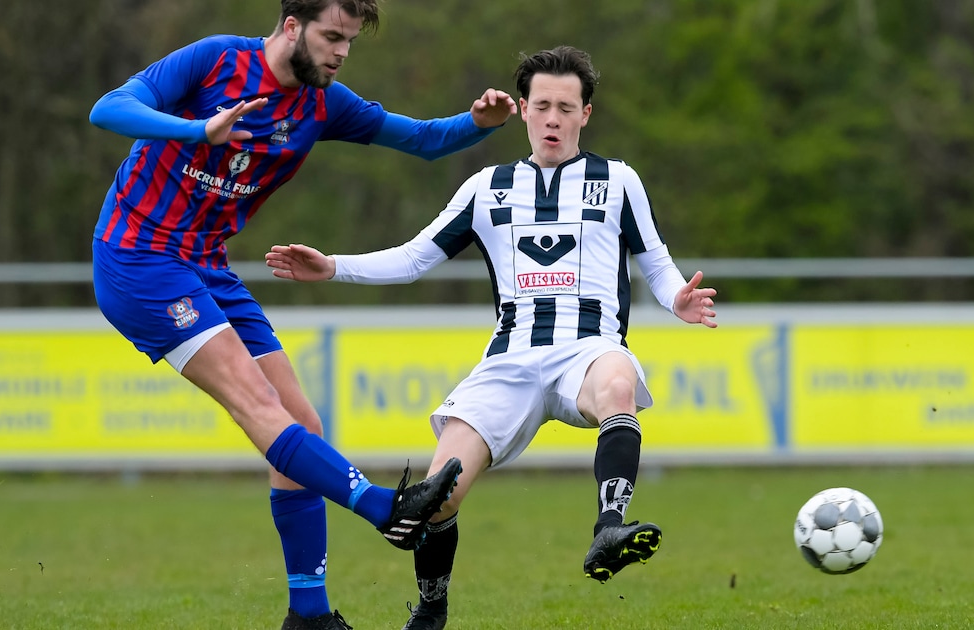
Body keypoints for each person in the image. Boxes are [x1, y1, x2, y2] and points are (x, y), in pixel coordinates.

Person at [88, 2, 517, 629]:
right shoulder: (216, 60)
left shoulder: (323, 104)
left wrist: (478, 123)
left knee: (300, 421)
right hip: (137, 259)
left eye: (349, 42)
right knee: (260, 409)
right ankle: (381, 508)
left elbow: (423, 141)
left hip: (204, 264)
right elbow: (108, 109)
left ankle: (308, 616)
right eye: (331, 37)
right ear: (292, 26)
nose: (341, 52)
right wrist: (197, 131)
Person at [264, 45, 719, 630]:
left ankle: (610, 525)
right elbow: (412, 258)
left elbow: (655, 263)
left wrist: (677, 295)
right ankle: (431, 609)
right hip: (510, 360)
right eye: (543, 105)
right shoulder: (487, 187)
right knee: (438, 494)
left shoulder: (618, 180)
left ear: (586, 115)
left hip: (589, 347)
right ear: (523, 110)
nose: (553, 118)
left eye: (567, 107)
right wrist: (333, 266)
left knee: (617, 385)